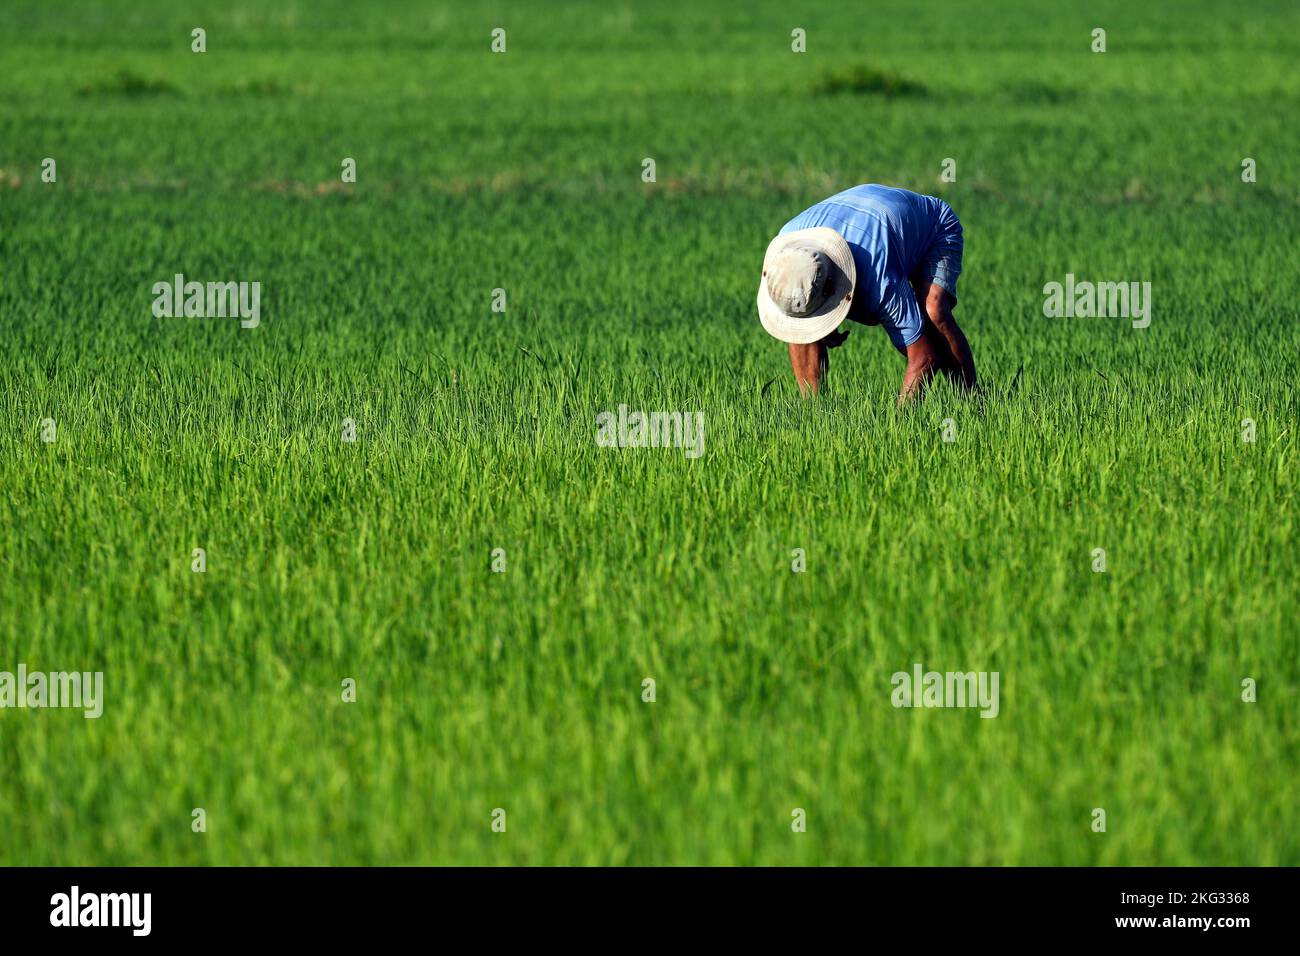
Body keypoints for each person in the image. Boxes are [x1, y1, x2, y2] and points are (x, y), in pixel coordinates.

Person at [756, 184, 978, 403]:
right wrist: (818, 323)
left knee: (933, 313)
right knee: (800, 319)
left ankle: (972, 401)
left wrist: (901, 424)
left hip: (932, 227)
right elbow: (805, 290)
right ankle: (814, 411)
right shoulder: (787, 251)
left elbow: (924, 355)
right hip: (871, 221)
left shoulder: (879, 278)